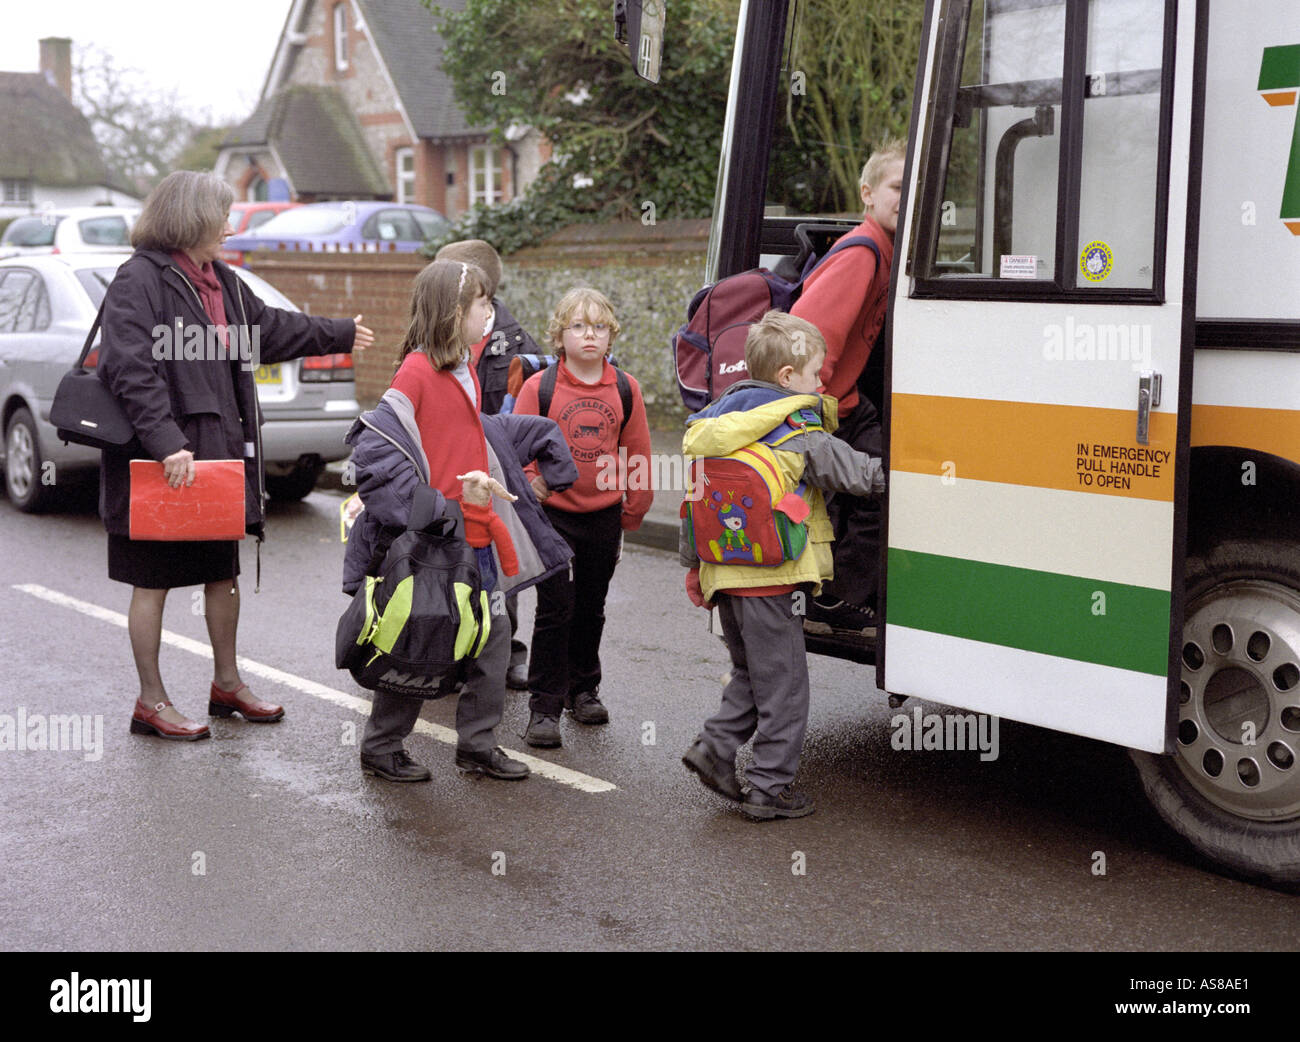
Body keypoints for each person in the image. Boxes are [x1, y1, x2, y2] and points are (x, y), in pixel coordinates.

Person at [98, 170, 372, 742]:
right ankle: (151, 701)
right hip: (159, 459)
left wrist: (339, 332)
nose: (229, 227)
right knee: (152, 581)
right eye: (222, 216)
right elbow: (130, 368)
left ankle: (227, 685)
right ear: (190, 218)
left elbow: (271, 330)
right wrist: (167, 441)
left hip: (217, 456)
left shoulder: (221, 281)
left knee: (221, 575)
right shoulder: (139, 279)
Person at [353, 259, 576, 782]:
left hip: (475, 533)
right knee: (423, 641)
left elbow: (470, 434)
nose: (491, 312)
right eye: (482, 304)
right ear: (455, 313)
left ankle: (476, 745)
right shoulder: (415, 372)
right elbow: (380, 447)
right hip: (438, 540)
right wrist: (428, 512)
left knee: (492, 638)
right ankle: (381, 746)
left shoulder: (465, 367)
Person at [679, 311, 885, 819]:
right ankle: (769, 790)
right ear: (787, 378)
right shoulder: (794, 423)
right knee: (787, 688)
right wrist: (909, 471)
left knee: (751, 673)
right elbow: (854, 474)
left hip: (724, 576)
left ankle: (713, 748)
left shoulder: (717, 421)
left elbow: (697, 502)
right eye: (816, 374)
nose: (822, 384)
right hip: (773, 579)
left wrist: (695, 568)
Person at [510, 287, 653, 748]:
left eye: (599, 326)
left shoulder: (626, 389)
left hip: (603, 518)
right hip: (552, 517)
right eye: (578, 325)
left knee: (591, 606)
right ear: (559, 335)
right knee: (555, 610)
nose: (589, 334)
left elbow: (638, 454)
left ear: (611, 336)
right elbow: (514, 445)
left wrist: (633, 511)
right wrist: (529, 479)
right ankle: (544, 707)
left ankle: (583, 689)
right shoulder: (540, 387)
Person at [790, 140, 904, 642]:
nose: (906, 196)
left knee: (880, 482)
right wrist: (806, 416)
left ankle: (838, 593)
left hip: (849, 402)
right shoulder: (863, 252)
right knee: (888, 486)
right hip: (827, 408)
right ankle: (836, 600)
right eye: (897, 186)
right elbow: (807, 339)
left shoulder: (889, 250)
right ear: (868, 193)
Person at [434, 239, 541, 690]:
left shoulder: (518, 348)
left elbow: (533, 418)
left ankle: (506, 650)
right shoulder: (434, 339)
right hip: (446, 475)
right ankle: (450, 651)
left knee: (498, 564)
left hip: (496, 480)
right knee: (449, 565)